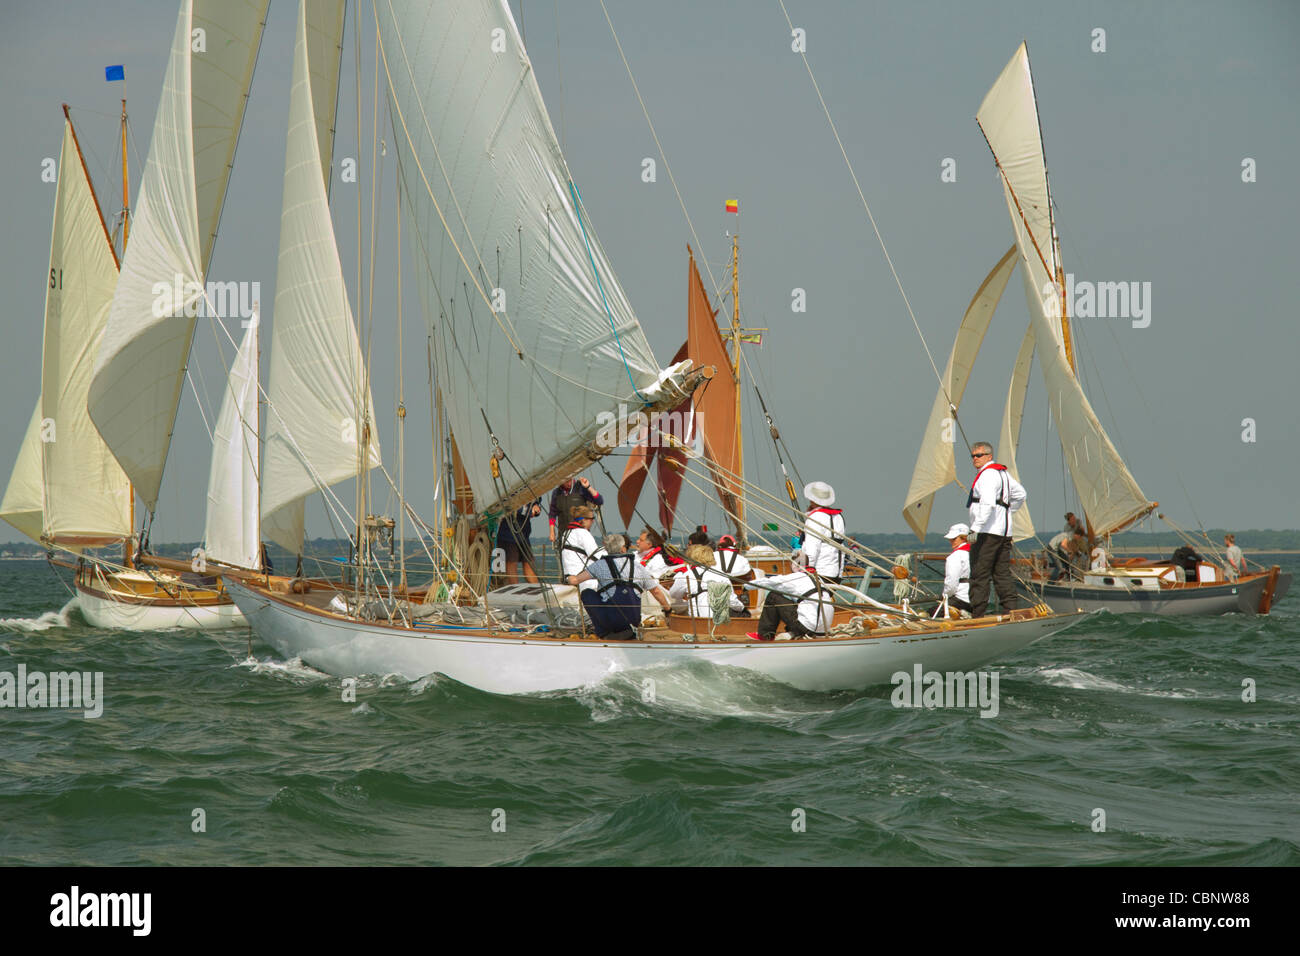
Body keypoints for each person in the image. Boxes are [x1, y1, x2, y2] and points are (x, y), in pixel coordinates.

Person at [567, 533, 670, 640]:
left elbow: (575, 580)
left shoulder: (599, 565)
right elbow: (656, 591)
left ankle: (604, 633)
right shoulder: (638, 566)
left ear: (606, 549)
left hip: (611, 621)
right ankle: (626, 631)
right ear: (623, 548)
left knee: (587, 593)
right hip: (633, 621)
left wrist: (567, 578)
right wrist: (668, 609)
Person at [966, 441, 1027, 617]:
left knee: (979, 572)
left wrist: (975, 528)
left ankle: (977, 614)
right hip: (1004, 533)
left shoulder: (987, 476)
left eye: (979, 455)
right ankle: (1011, 610)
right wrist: (1007, 512)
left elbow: (987, 503)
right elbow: (1021, 494)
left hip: (987, 533)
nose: (975, 459)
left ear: (989, 456)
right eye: (972, 456)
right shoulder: (1003, 474)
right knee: (1001, 573)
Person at [746, 564, 834, 641]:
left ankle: (764, 635)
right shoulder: (821, 580)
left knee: (773, 596)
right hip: (824, 630)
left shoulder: (797, 577)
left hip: (806, 629)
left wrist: (746, 586)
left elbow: (770, 582)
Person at [669, 544, 746, 618]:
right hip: (719, 623)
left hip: (697, 622)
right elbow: (732, 601)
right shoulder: (721, 575)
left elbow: (673, 594)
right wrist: (742, 608)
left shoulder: (686, 575)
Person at [801, 481, 846, 582]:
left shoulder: (815, 517)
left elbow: (812, 547)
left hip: (819, 572)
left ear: (812, 500)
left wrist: (808, 568)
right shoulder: (839, 517)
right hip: (837, 573)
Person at [558, 505, 603, 593]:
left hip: (568, 577)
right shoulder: (583, 533)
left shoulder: (566, 533)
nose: (593, 521)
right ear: (584, 520)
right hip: (583, 581)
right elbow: (597, 557)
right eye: (591, 518)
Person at [497, 498, 541, 584]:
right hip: (508, 534)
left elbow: (535, 497)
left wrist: (535, 505)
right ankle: (514, 591)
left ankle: (536, 590)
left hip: (524, 534)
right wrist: (528, 511)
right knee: (511, 564)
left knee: (529, 564)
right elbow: (506, 504)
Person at [548, 476, 603, 543]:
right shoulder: (556, 493)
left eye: (569, 480)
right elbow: (552, 514)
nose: (569, 483)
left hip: (581, 535)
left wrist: (588, 487)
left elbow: (599, 501)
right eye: (566, 481)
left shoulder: (581, 488)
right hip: (564, 537)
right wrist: (552, 532)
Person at [938, 523, 972, 617]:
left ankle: (961, 614)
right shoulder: (977, 553)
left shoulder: (954, 557)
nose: (951, 541)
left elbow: (951, 584)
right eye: (951, 539)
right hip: (979, 600)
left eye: (954, 539)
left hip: (962, 600)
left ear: (964, 538)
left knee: (930, 613)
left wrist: (944, 596)